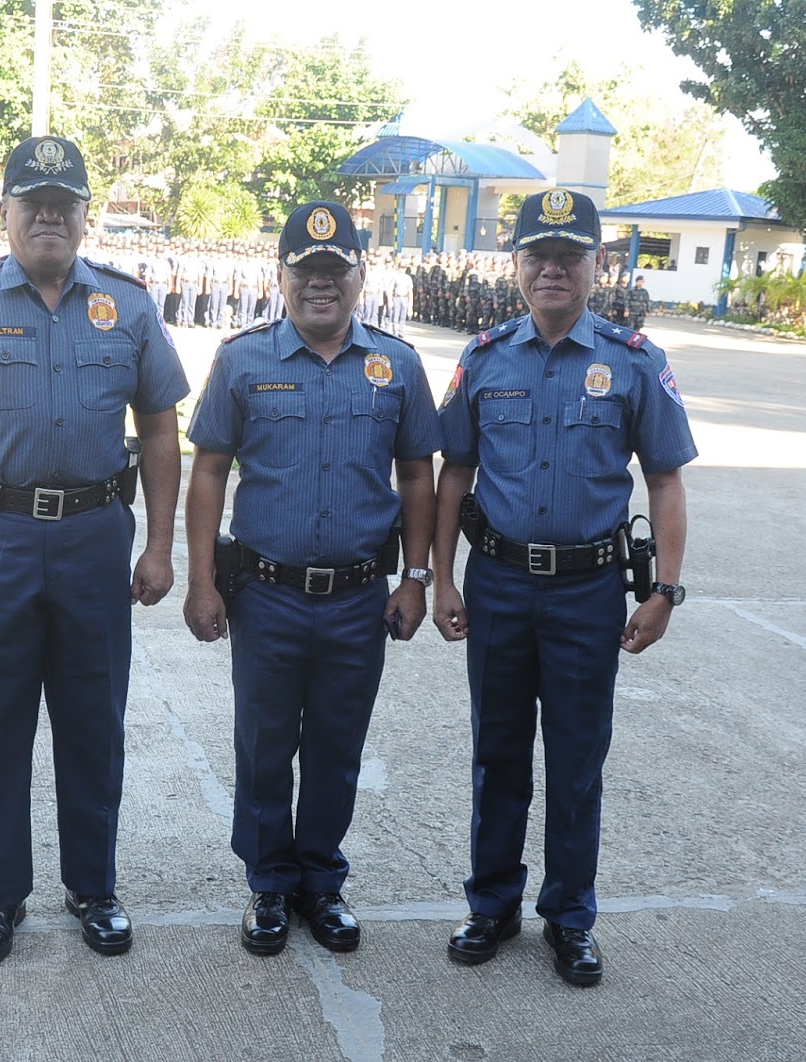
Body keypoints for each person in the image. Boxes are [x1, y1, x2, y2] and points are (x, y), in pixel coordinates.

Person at [0, 135, 190, 967]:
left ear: (85, 217)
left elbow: (161, 428)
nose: (48, 215)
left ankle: (94, 887)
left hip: (94, 538)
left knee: (95, 725)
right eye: (33, 201)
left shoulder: (127, 307)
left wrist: (161, 547)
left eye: (64, 202)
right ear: (6, 213)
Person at [431, 188, 696, 987]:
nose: (552, 270)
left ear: (595, 265)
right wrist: (441, 576)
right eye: (537, 256)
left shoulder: (635, 360)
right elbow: (455, 474)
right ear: (515, 266)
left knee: (578, 761)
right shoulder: (484, 358)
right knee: (498, 754)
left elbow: (666, 483)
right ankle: (493, 906)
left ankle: (570, 918)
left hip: (588, 593)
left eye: (568, 256)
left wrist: (666, 591)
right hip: (500, 583)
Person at [182, 201, 443, 956]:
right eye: (307, 272)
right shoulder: (243, 359)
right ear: (282, 276)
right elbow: (209, 474)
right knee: (263, 745)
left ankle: (321, 883)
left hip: (361, 597)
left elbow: (417, 476)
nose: (320, 285)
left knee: (336, 745)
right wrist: (202, 581)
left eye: (336, 272)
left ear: (361, 276)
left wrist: (416, 577)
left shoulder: (397, 364)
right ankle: (269, 885)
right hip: (264, 594)